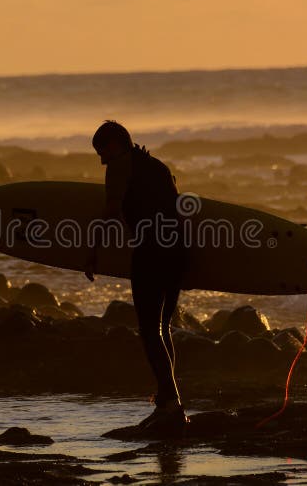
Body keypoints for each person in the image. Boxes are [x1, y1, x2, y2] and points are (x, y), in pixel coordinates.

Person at [85, 120, 189, 429]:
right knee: (162, 327)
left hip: (152, 252)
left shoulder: (120, 166)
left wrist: (93, 252)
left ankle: (170, 405)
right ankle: (170, 402)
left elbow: (111, 211)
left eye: (101, 153)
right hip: (177, 251)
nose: (102, 160)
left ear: (115, 146)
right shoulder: (157, 166)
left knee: (148, 329)